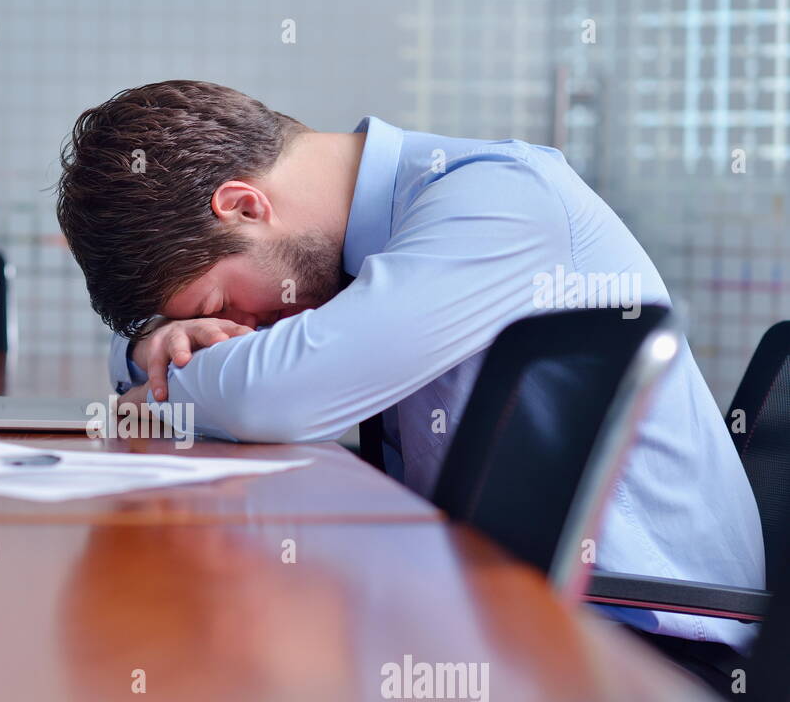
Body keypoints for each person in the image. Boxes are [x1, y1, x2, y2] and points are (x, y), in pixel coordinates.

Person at [54, 79, 764, 649]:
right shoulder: (369, 243)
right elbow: (194, 369)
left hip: (644, 645)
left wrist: (162, 371)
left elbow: (276, 397)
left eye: (219, 305)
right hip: (502, 611)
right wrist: (149, 343)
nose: (230, 333)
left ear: (243, 205)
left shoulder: (498, 201)